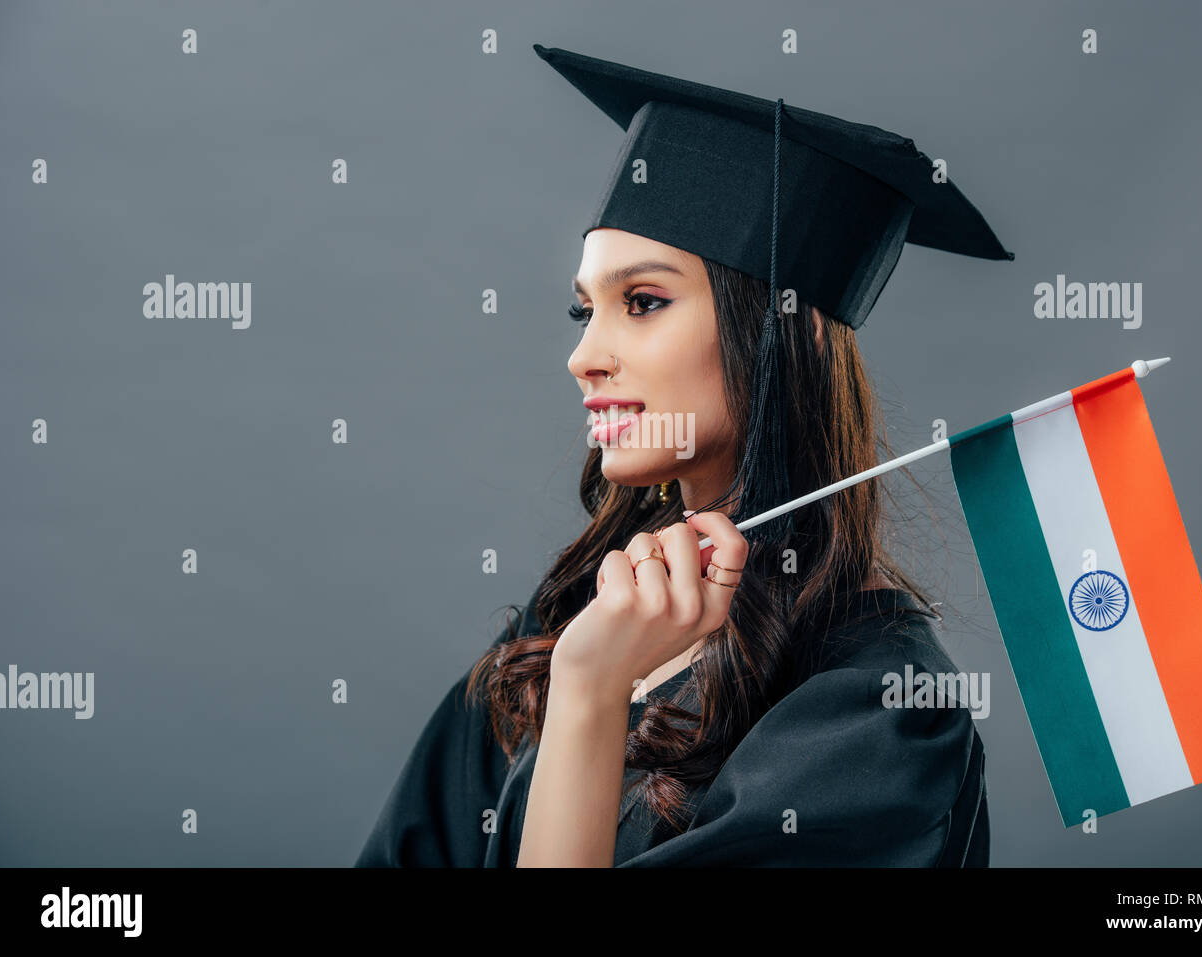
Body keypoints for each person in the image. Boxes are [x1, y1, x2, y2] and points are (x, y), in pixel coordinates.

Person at [356, 43, 1011, 867]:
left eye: (643, 301)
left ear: (787, 333)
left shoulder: (880, 713)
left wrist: (592, 696)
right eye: (584, 310)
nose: (584, 355)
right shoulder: (571, 616)